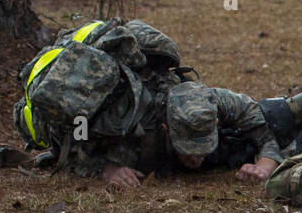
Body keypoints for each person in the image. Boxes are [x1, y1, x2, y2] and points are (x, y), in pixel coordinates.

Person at [80, 81, 282, 189]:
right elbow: (71, 148)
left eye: (203, 148)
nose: (195, 158)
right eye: (187, 149)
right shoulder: (130, 122)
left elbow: (267, 129)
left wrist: (266, 165)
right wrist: (108, 169)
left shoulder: (218, 103)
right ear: (167, 130)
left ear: (216, 123)